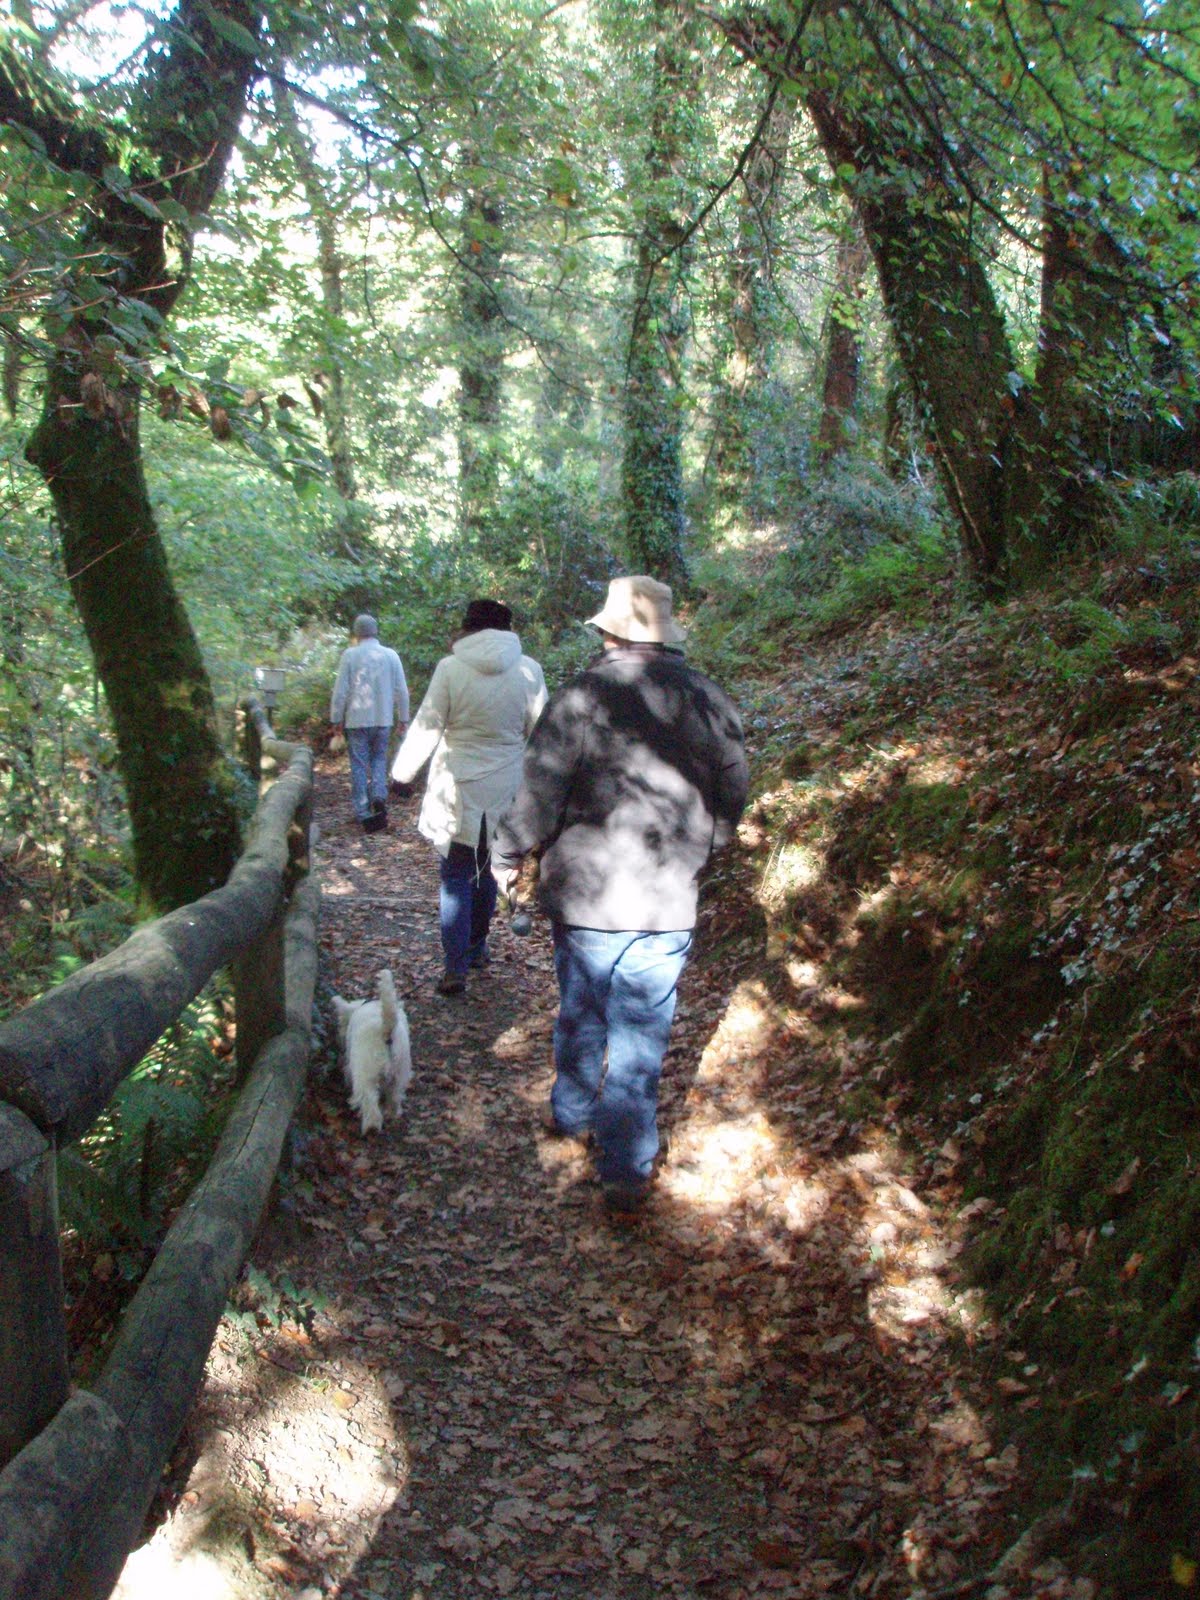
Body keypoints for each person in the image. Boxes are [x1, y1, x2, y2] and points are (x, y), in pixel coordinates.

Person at [492, 575, 749, 1213]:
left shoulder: (580, 697)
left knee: (581, 1008)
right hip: (666, 896)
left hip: (585, 896)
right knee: (643, 1033)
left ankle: (573, 1114)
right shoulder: (710, 698)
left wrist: (505, 853)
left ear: (610, 631)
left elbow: (538, 795)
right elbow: (733, 788)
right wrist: (709, 842)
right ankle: (626, 1171)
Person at [391, 599, 547, 997]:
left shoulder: (451, 668)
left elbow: (428, 725)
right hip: (506, 786)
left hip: (456, 786)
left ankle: (455, 966)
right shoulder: (529, 670)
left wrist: (402, 774)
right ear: (507, 629)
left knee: (456, 874)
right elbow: (542, 733)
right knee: (489, 871)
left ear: (469, 628)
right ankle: (477, 948)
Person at [330, 614, 410, 833]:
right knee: (378, 760)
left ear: (356, 633)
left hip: (356, 721)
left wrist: (336, 719)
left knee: (358, 764)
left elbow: (341, 691)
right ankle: (379, 796)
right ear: (376, 631)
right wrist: (403, 718)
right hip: (383, 719)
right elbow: (401, 690)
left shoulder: (350, 655)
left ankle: (363, 811)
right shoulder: (390, 655)